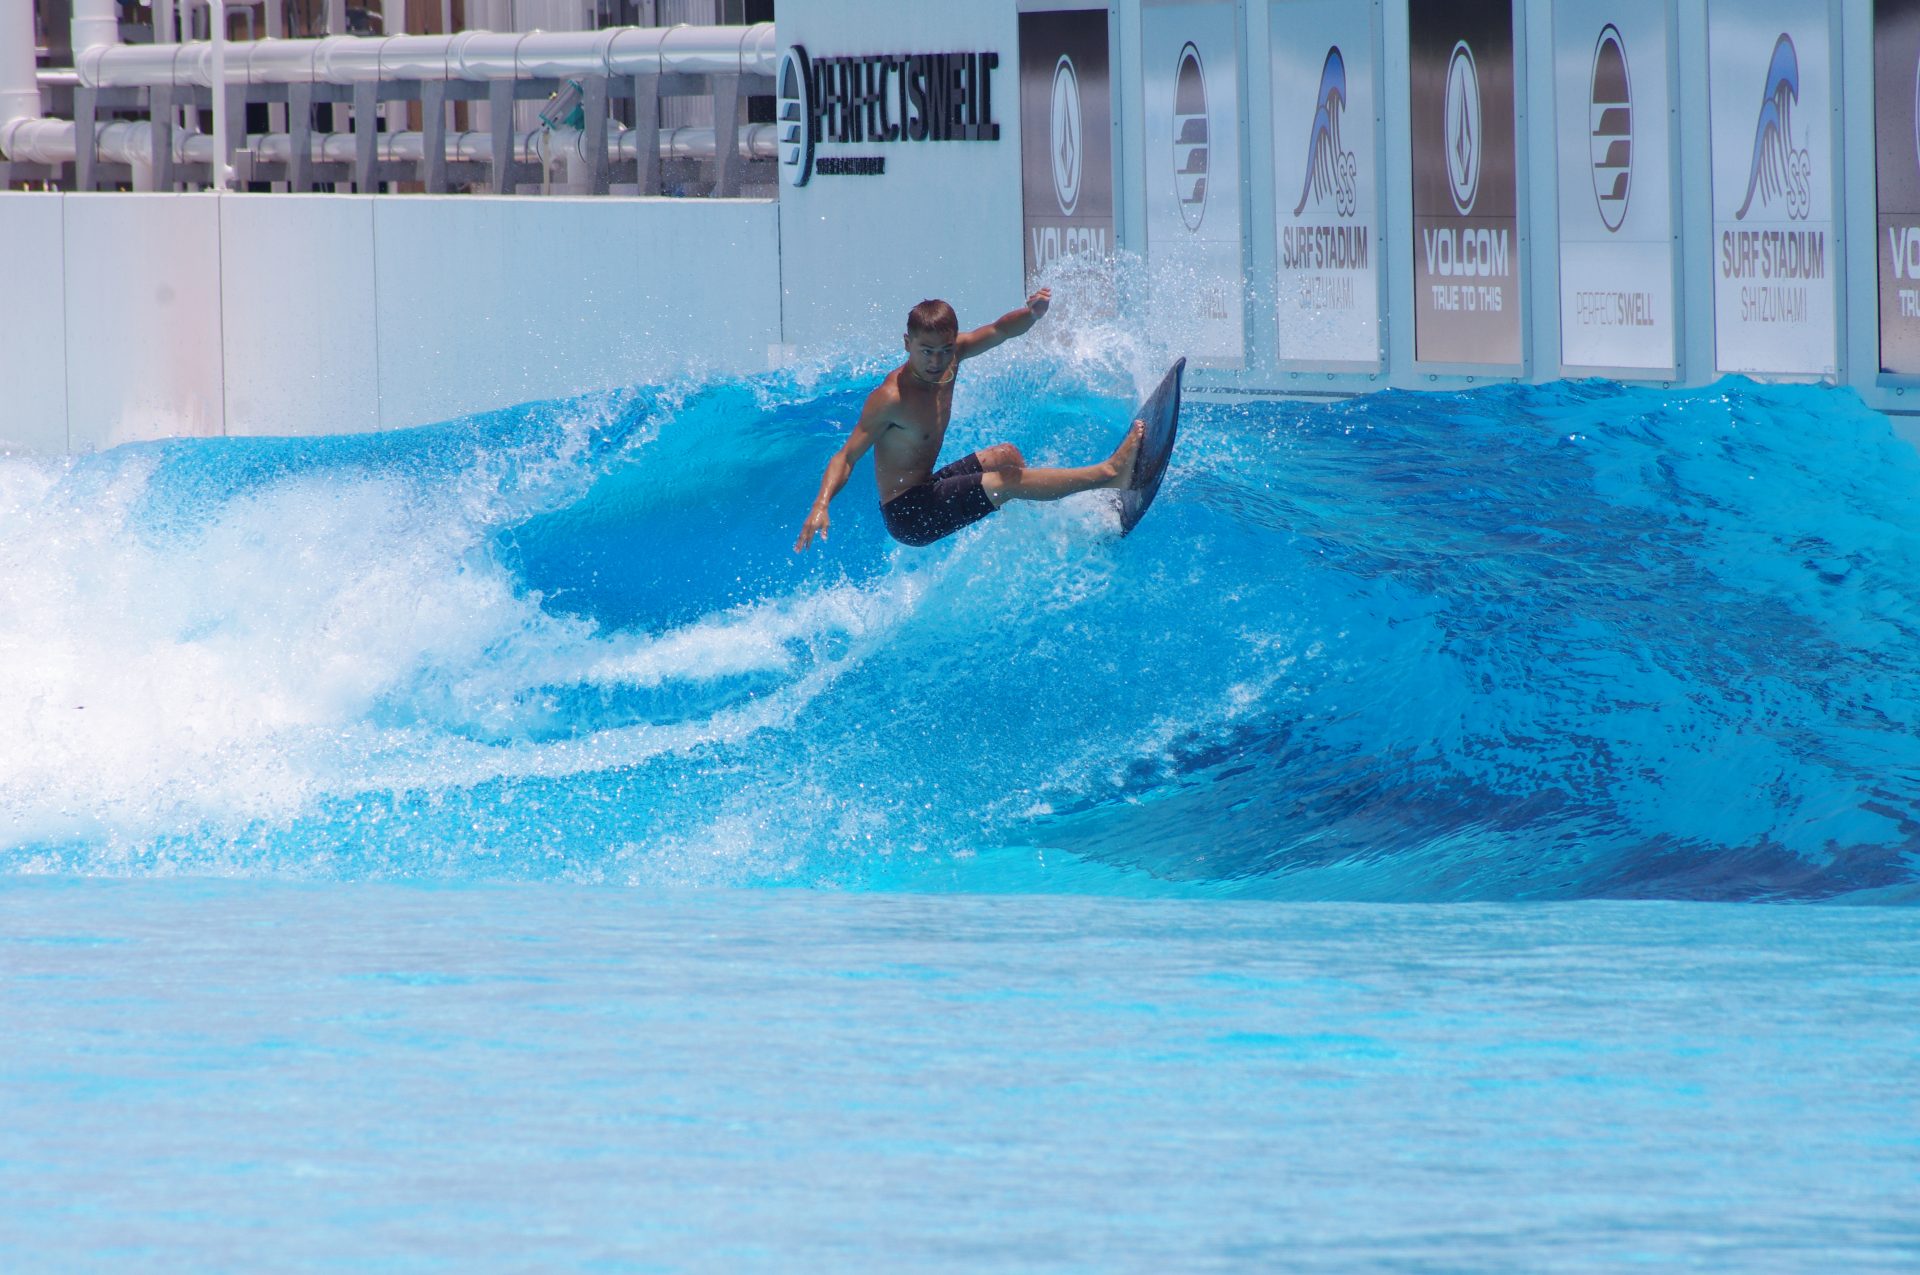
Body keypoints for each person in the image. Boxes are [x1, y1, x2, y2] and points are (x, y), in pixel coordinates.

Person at [793, 289, 1142, 551]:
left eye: (944, 350)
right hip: (909, 515)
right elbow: (846, 457)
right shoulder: (891, 399)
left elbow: (1000, 331)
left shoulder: (952, 356)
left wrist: (1031, 315)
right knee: (1005, 480)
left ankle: (1063, 529)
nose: (936, 361)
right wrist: (821, 504)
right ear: (907, 344)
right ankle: (1110, 474)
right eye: (925, 351)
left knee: (1006, 455)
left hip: (926, 488)